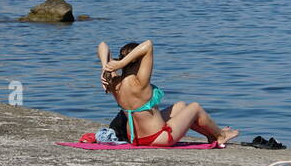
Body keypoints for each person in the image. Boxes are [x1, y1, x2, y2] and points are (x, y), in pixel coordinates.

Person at [98, 39, 238, 147]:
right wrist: (121, 63)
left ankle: (210, 134)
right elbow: (148, 45)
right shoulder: (139, 82)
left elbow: (102, 44)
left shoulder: (115, 82)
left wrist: (105, 67)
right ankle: (220, 135)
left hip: (135, 137)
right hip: (157, 137)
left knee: (181, 106)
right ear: (139, 63)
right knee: (195, 107)